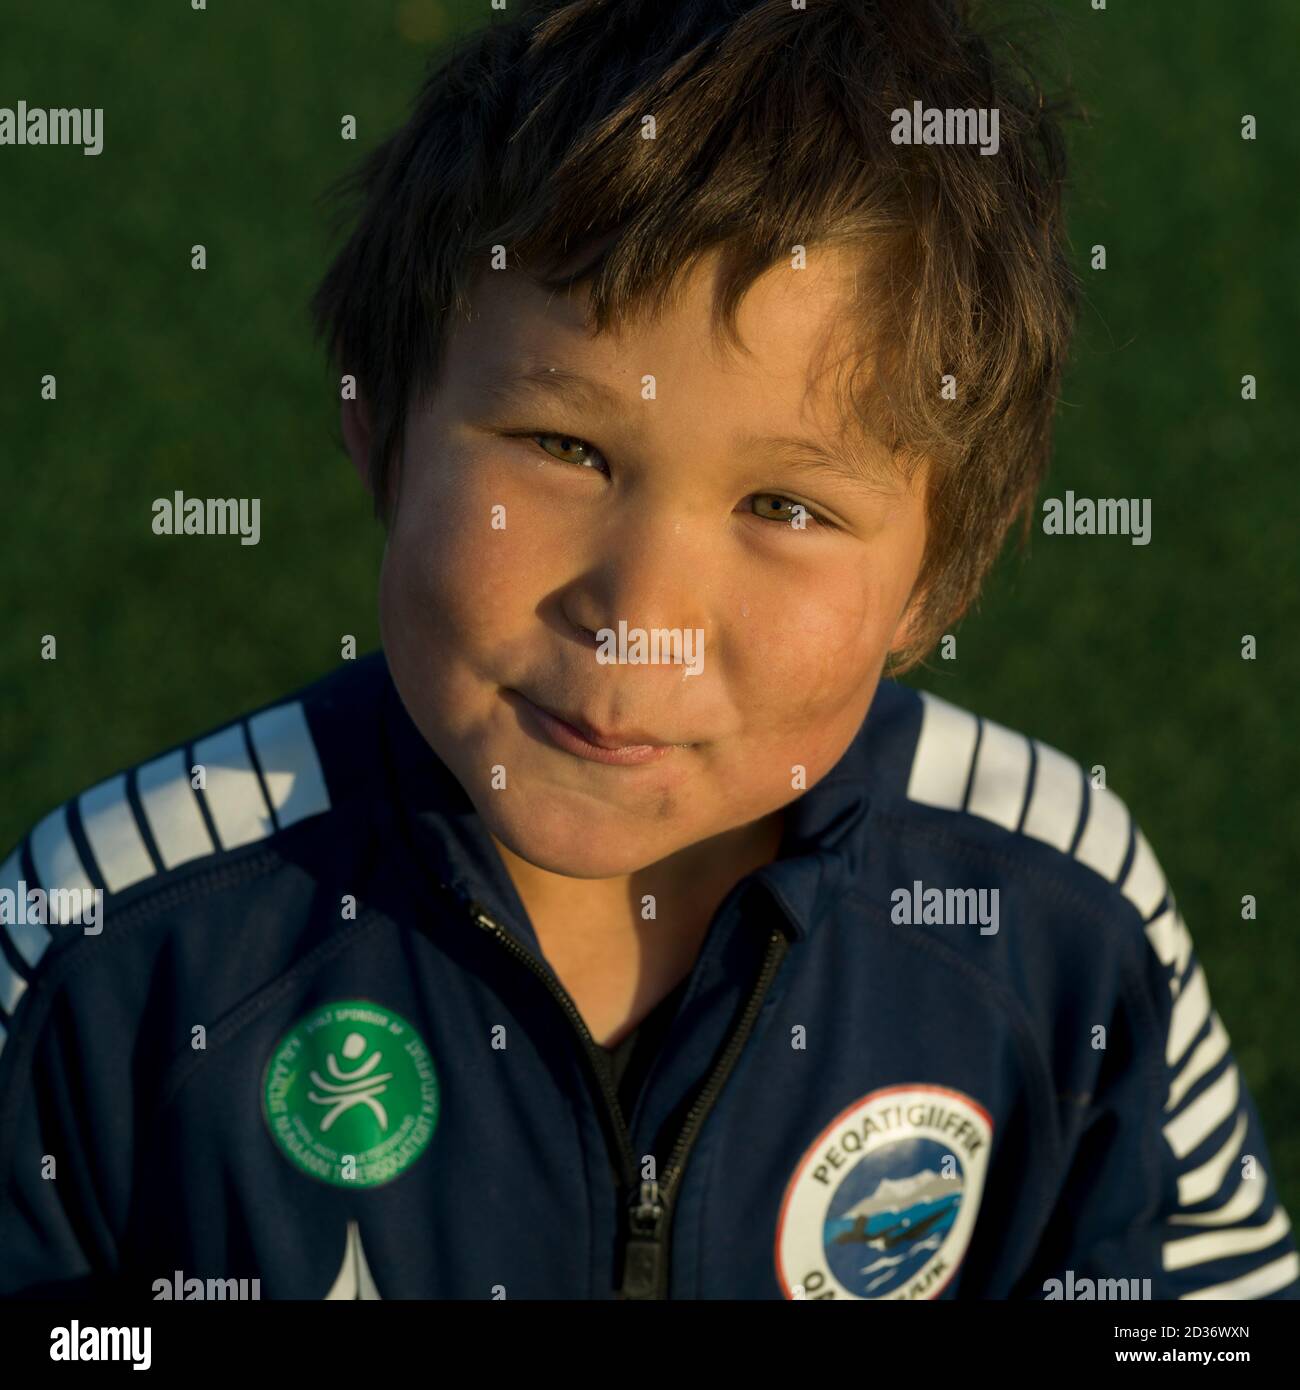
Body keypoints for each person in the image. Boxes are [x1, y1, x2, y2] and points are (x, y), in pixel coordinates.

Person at [1, 0, 1295, 1300]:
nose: (641, 612)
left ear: (933, 582)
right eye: (566, 450)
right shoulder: (113, 928)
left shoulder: (1059, 905)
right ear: (380, 422)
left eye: (784, 508)